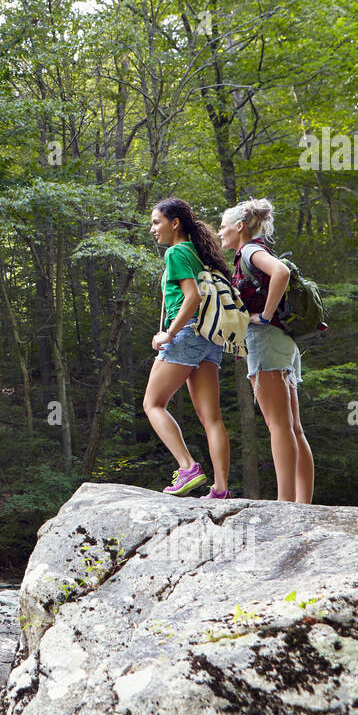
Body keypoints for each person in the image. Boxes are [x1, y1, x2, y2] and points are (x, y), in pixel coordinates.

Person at [218, 198, 315, 504]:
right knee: (293, 428)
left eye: (223, 227)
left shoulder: (249, 250)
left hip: (267, 340)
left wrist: (266, 314)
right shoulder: (252, 250)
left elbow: (281, 273)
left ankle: (285, 503)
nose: (220, 233)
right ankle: (302, 505)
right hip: (281, 341)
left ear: (239, 226)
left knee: (279, 426)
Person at [144, 198, 231, 499]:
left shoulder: (177, 252)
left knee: (153, 404)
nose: (152, 228)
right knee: (212, 418)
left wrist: (168, 334)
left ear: (175, 222)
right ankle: (220, 489)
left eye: (156, 222)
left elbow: (191, 297)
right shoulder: (200, 254)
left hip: (188, 334)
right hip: (211, 337)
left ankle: (187, 467)